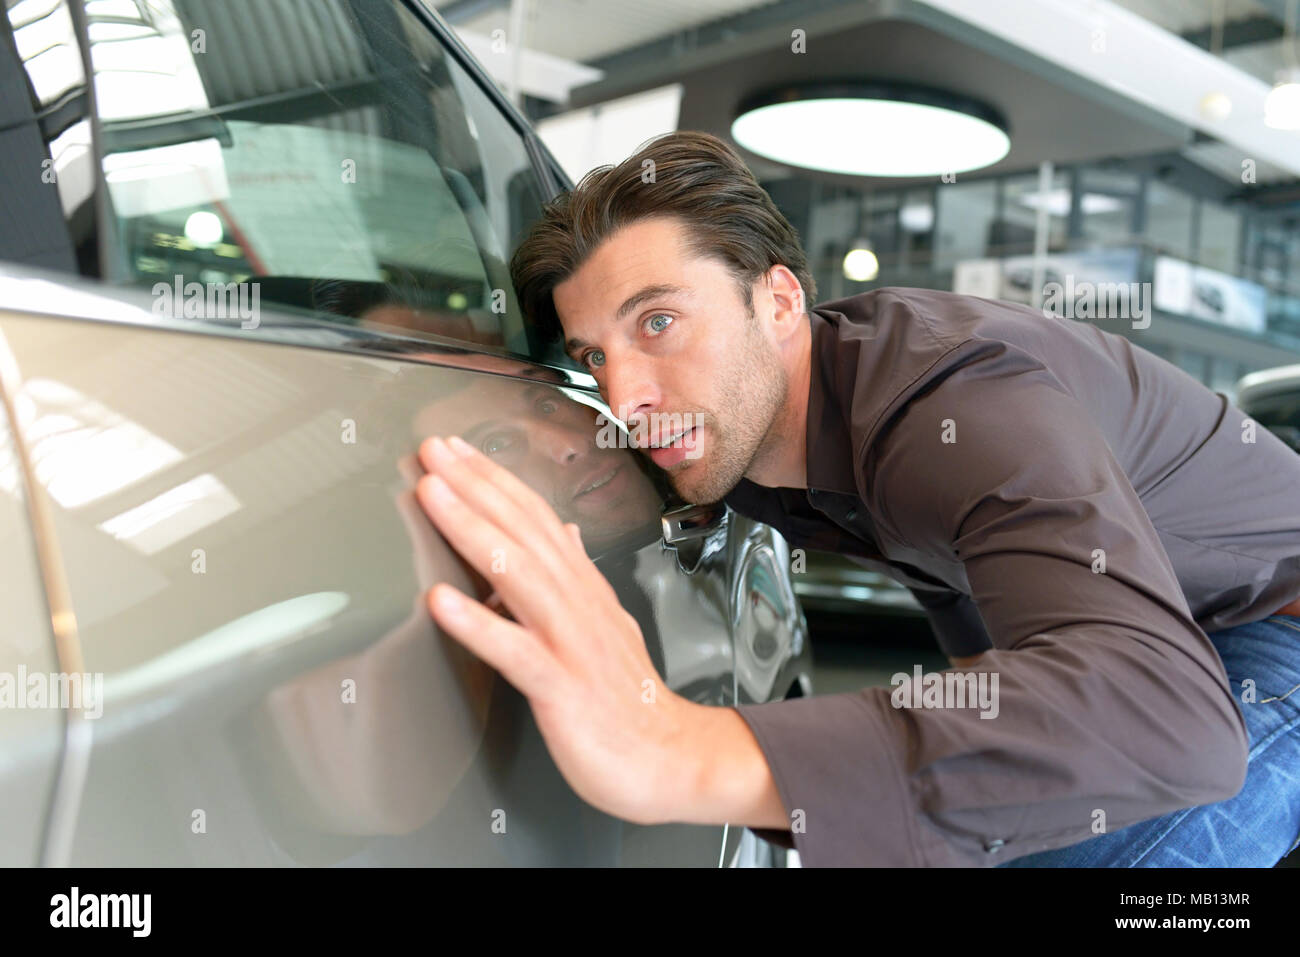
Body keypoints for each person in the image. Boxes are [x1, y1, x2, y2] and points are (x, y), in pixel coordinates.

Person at [411, 130, 1300, 867]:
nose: (626, 395)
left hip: (1275, 626)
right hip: (1153, 624)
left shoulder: (958, 398)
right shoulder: (733, 434)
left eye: (658, 322)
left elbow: (1171, 717)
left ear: (780, 299)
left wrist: (682, 748)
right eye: (596, 356)